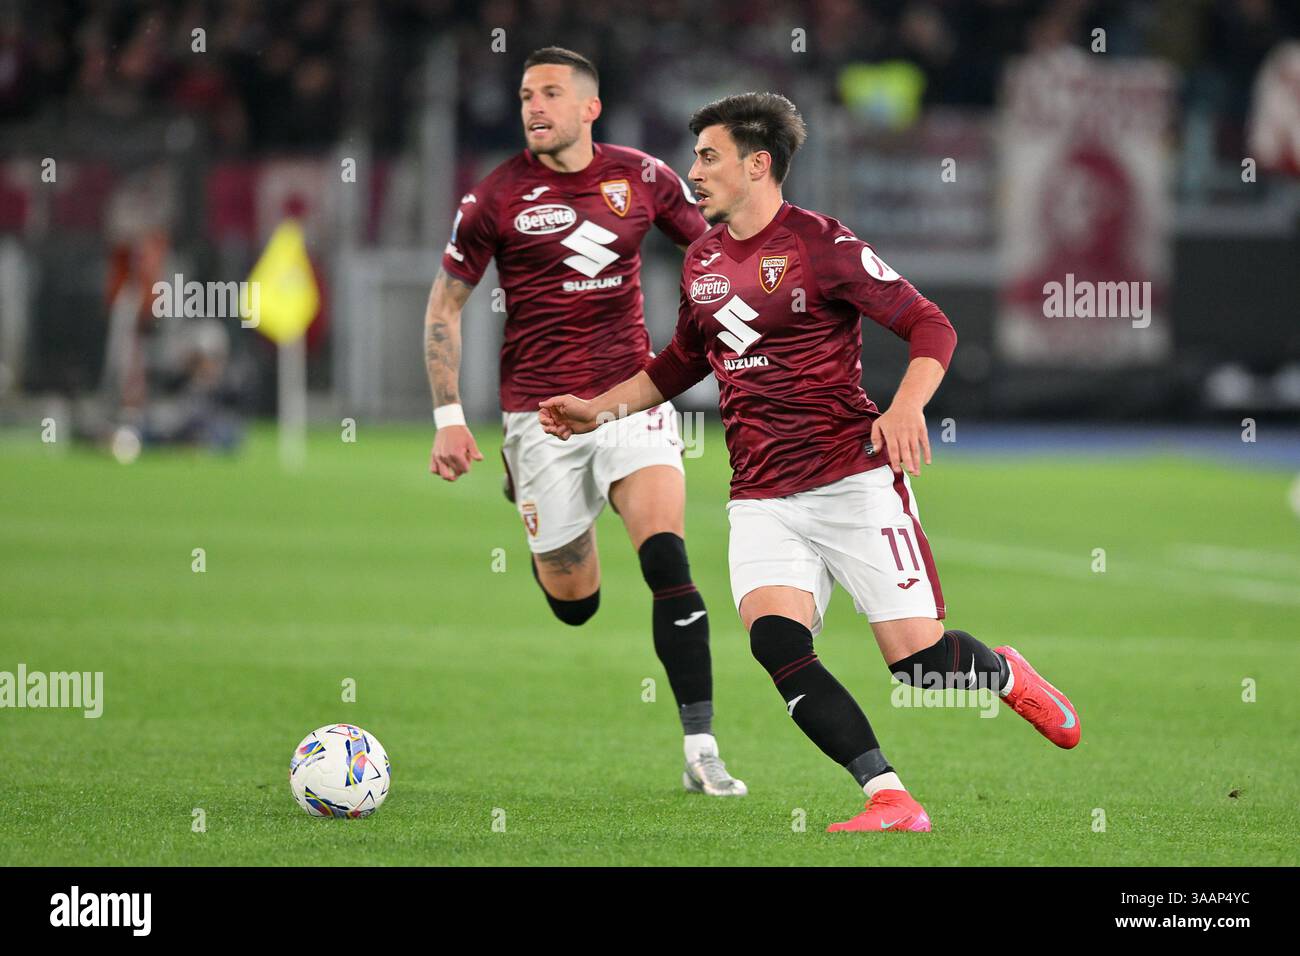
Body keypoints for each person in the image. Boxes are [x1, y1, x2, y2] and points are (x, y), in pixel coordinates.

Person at [539, 91, 1081, 831]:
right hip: (761, 495)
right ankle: (888, 794)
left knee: (919, 666)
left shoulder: (822, 245)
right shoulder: (701, 259)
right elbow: (680, 363)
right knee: (775, 640)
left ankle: (1005, 674)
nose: (692, 171)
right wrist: (597, 408)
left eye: (708, 157)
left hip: (851, 479)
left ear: (757, 165)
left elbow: (931, 325)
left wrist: (906, 407)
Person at [424, 48, 746, 796]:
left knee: (667, 559)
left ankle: (701, 747)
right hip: (538, 417)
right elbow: (444, 307)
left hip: (629, 399)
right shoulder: (493, 198)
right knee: (576, 604)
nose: (533, 107)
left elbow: (715, 249)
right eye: (525, 95)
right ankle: (528, 489)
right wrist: (449, 416)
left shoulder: (644, 178)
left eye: (549, 93)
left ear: (588, 108)